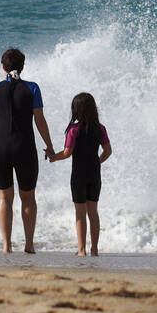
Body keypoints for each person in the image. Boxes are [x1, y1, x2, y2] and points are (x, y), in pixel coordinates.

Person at [0, 48, 56, 254]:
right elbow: (39, 120)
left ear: (2, 67)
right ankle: (29, 245)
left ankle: (6, 246)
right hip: (25, 148)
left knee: (4, 198)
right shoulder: (32, 88)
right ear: (23, 66)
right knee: (28, 198)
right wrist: (49, 145)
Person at [48, 92, 111, 256]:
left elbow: (67, 153)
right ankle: (95, 249)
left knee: (80, 212)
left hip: (78, 175)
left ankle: (82, 250)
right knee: (93, 212)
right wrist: (97, 162)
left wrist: (54, 157)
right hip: (94, 175)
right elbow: (108, 151)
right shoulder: (100, 129)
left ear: (76, 110)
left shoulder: (73, 130)